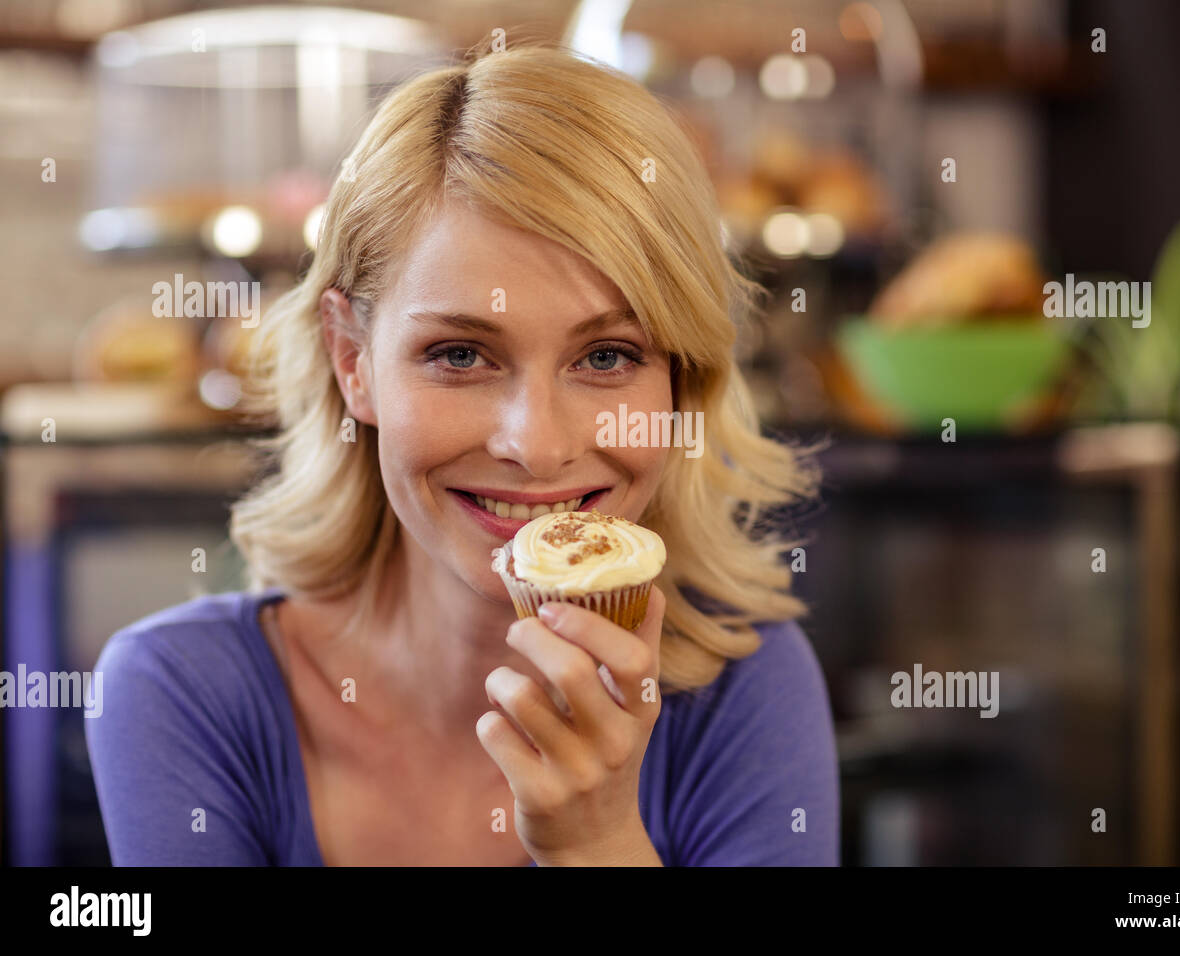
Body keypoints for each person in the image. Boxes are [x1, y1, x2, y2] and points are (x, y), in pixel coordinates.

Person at [85, 38, 838, 866]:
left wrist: (596, 842)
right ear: (352, 362)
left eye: (607, 357)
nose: (537, 446)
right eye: (460, 355)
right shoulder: (180, 693)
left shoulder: (745, 689)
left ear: (679, 384)